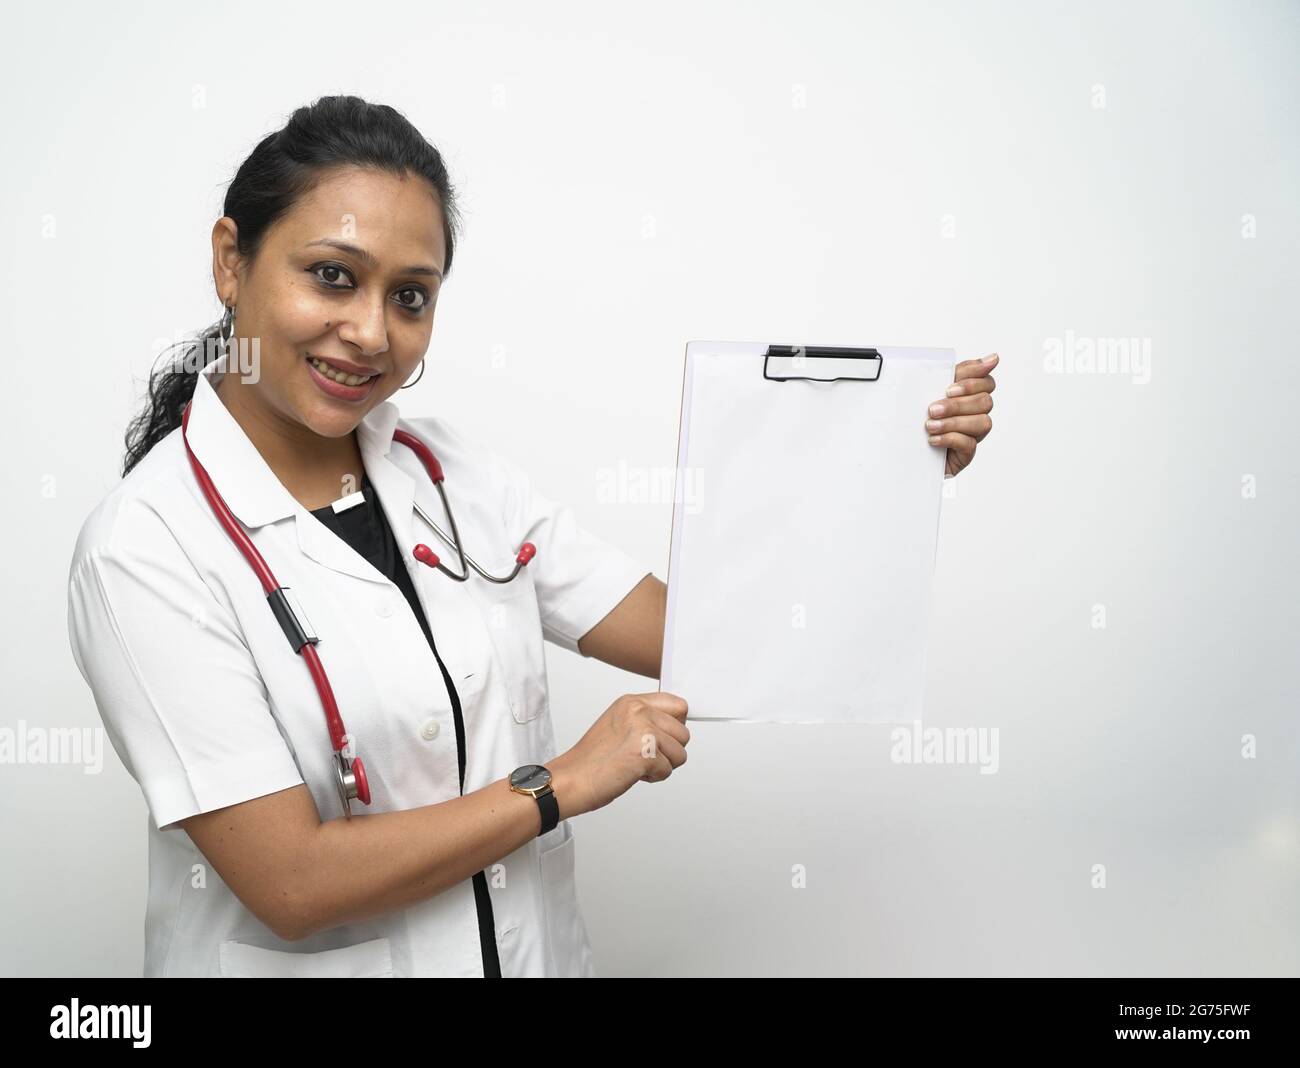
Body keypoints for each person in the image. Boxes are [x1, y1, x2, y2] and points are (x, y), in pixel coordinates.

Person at [66, 94, 997, 978]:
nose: (369, 331)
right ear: (232, 259)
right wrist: (558, 784)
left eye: (411, 296)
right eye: (331, 276)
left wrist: (886, 480)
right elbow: (293, 884)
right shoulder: (145, 550)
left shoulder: (450, 476)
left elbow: (714, 641)